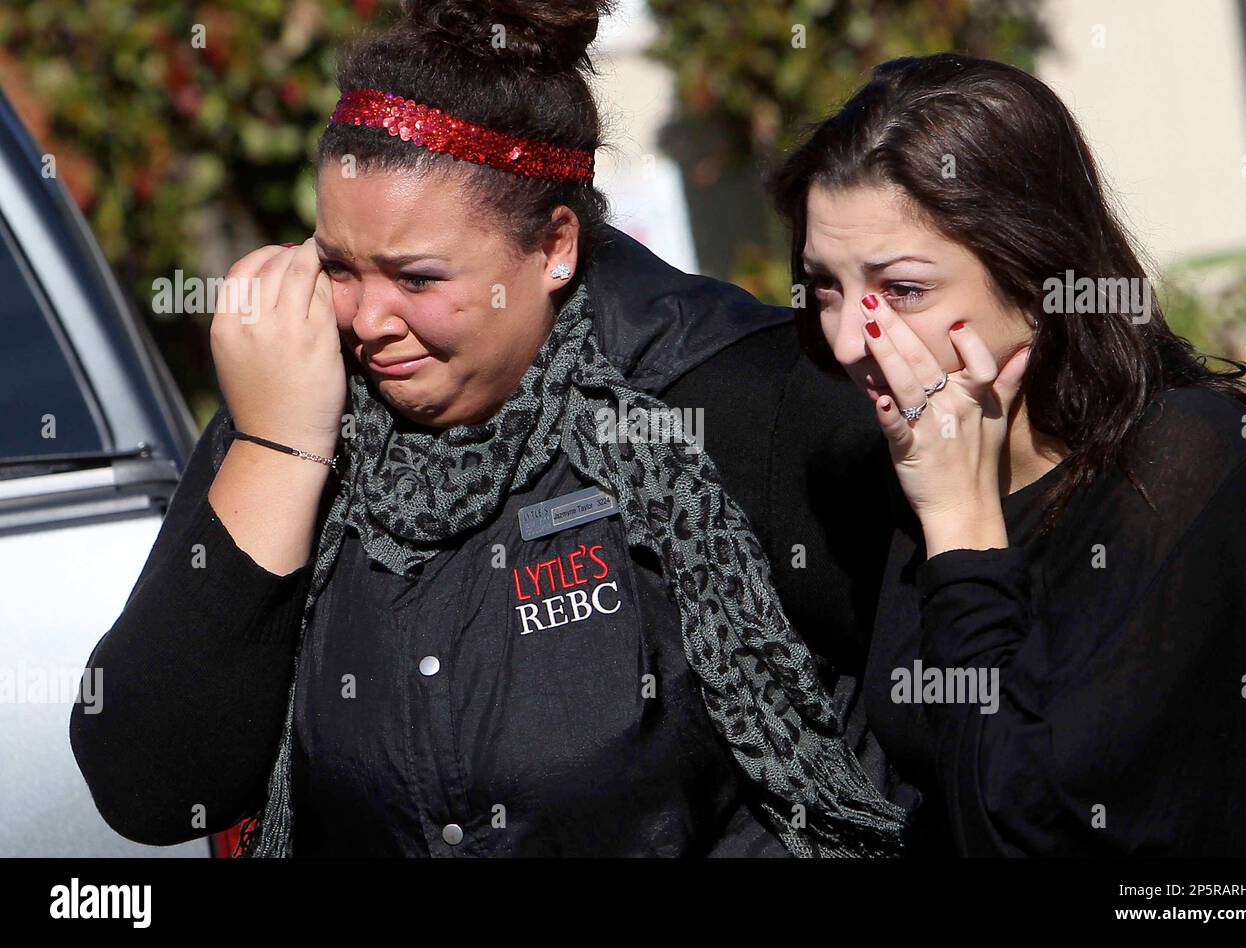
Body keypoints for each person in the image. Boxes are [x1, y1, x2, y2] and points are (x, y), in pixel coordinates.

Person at [69, 0, 907, 858]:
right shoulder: (301, 394)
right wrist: (276, 451)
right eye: (338, 267)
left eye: (417, 278)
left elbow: (955, 737)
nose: (367, 320)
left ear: (553, 250)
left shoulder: (727, 400)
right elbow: (151, 786)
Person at [769, 52, 1246, 856]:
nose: (850, 339)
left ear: (1037, 275)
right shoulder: (911, 448)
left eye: (903, 289)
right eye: (828, 286)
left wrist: (961, 528)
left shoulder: (1186, 465)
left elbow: (1025, 821)